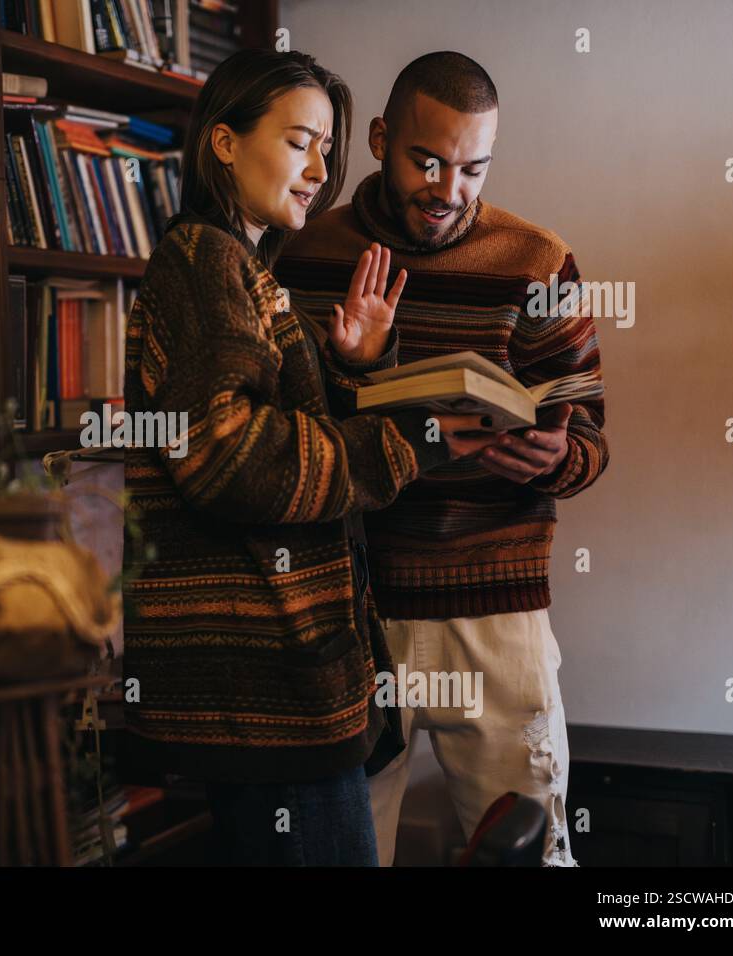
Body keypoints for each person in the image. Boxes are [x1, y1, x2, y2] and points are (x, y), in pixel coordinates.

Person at [119, 49, 498, 866]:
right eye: (300, 142)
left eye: (326, 149)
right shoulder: (205, 262)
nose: (321, 171)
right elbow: (228, 456)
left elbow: (258, 428)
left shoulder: (241, 266)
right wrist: (410, 442)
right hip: (267, 692)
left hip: (276, 685)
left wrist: (354, 366)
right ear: (224, 141)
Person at [275, 51, 609, 866]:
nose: (449, 189)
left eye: (472, 168)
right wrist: (360, 370)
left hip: (497, 609)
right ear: (382, 139)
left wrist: (554, 457)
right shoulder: (303, 253)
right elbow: (286, 441)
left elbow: (593, 443)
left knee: (534, 852)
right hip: (351, 606)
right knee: (346, 853)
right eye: (427, 160)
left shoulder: (537, 262)